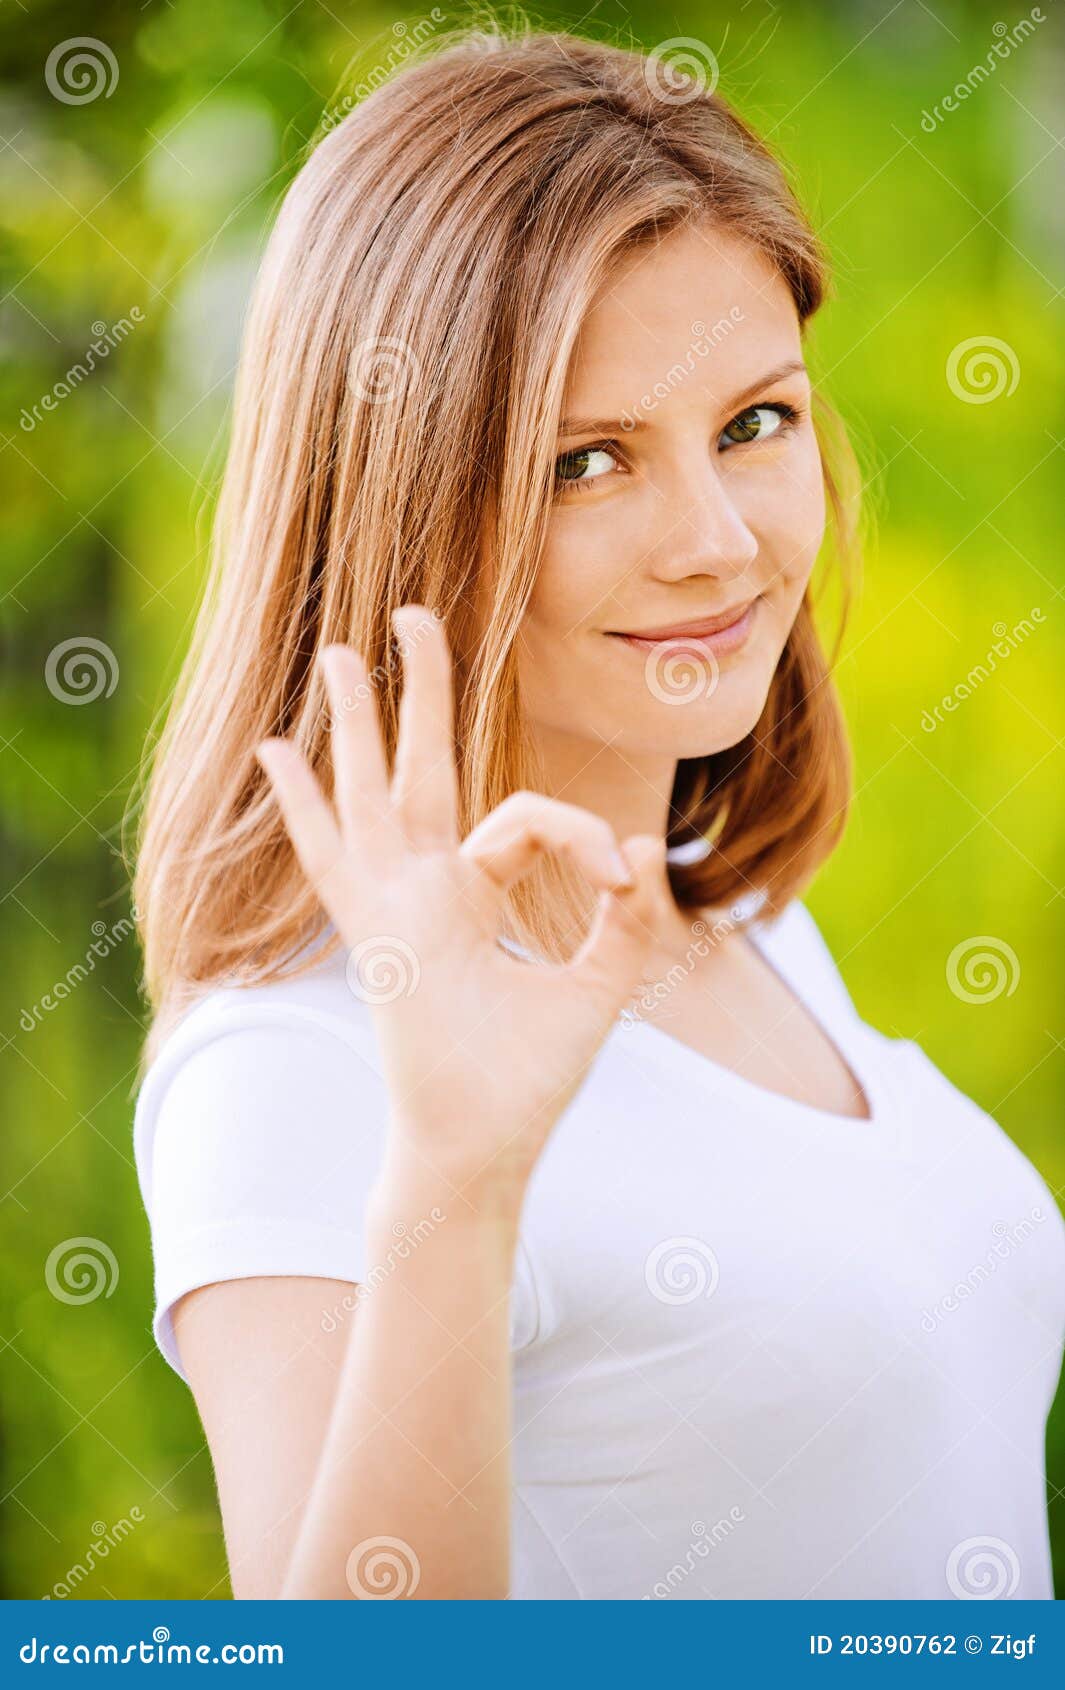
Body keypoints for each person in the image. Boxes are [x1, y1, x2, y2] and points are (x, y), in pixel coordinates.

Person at [130, 24, 1065, 1601]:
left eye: (753, 423)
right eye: (584, 462)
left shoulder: (734, 913)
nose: (714, 541)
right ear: (404, 495)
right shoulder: (294, 1056)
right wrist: (457, 1173)